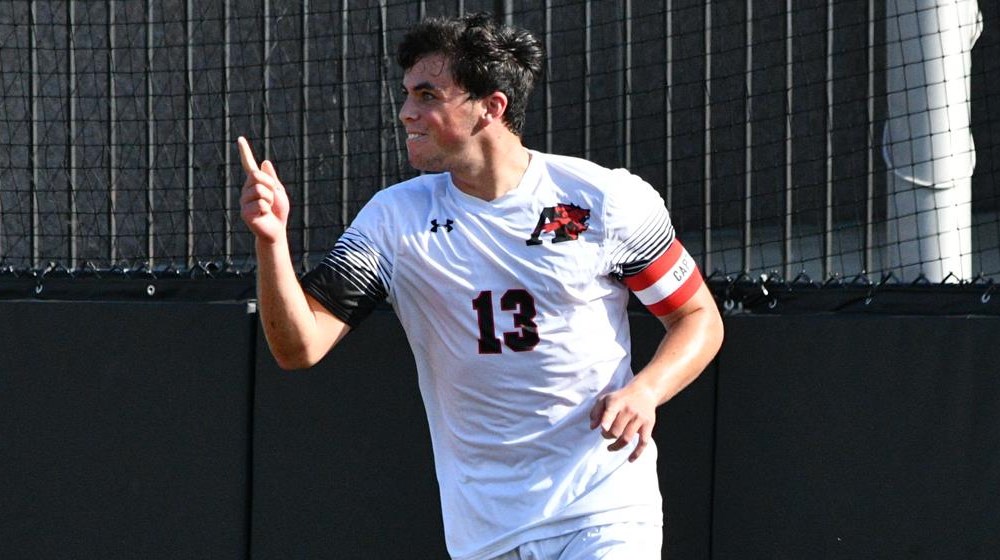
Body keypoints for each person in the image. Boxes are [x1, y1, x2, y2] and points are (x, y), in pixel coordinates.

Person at [237, 12, 723, 560]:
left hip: (604, 509)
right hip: (485, 530)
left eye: (427, 95)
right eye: (406, 94)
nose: (406, 113)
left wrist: (646, 391)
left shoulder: (601, 200)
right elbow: (299, 347)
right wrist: (271, 241)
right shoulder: (395, 221)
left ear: (491, 107)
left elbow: (697, 318)